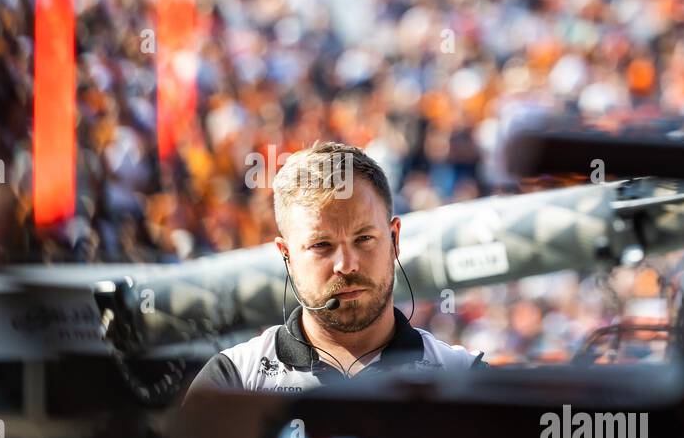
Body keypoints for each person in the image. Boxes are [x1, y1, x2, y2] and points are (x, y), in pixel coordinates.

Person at [185, 140, 489, 398]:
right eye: (322, 245)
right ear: (286, 255)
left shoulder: (466, 378)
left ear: (394, 239)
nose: (347, 264)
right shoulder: (233, 381)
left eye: (364, 238)